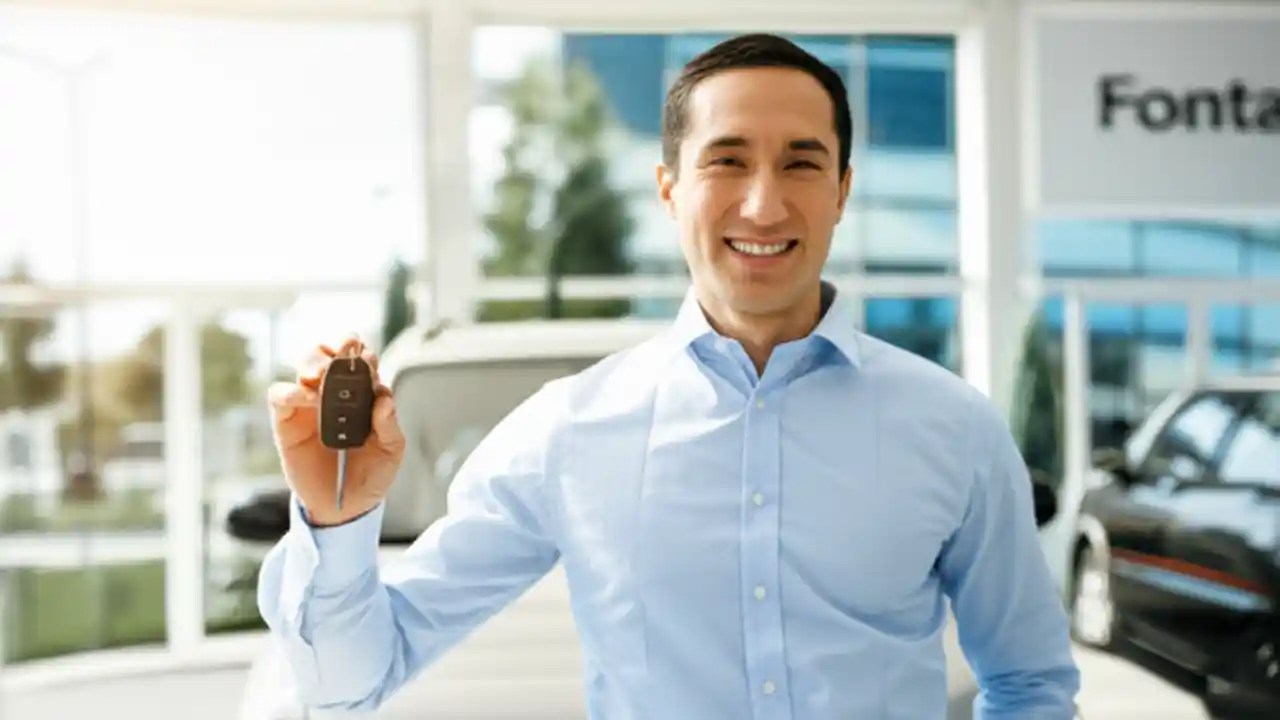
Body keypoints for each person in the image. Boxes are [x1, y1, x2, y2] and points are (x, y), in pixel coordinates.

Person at [258, 33, 1080, 719]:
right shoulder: (567, 429)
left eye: (801, 163)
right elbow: (351, 682)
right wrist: (338, 524)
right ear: (669, 190)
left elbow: (1031, 684)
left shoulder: (956, 428)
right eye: (727, 161)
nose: (763, 205)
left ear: (842, 192)